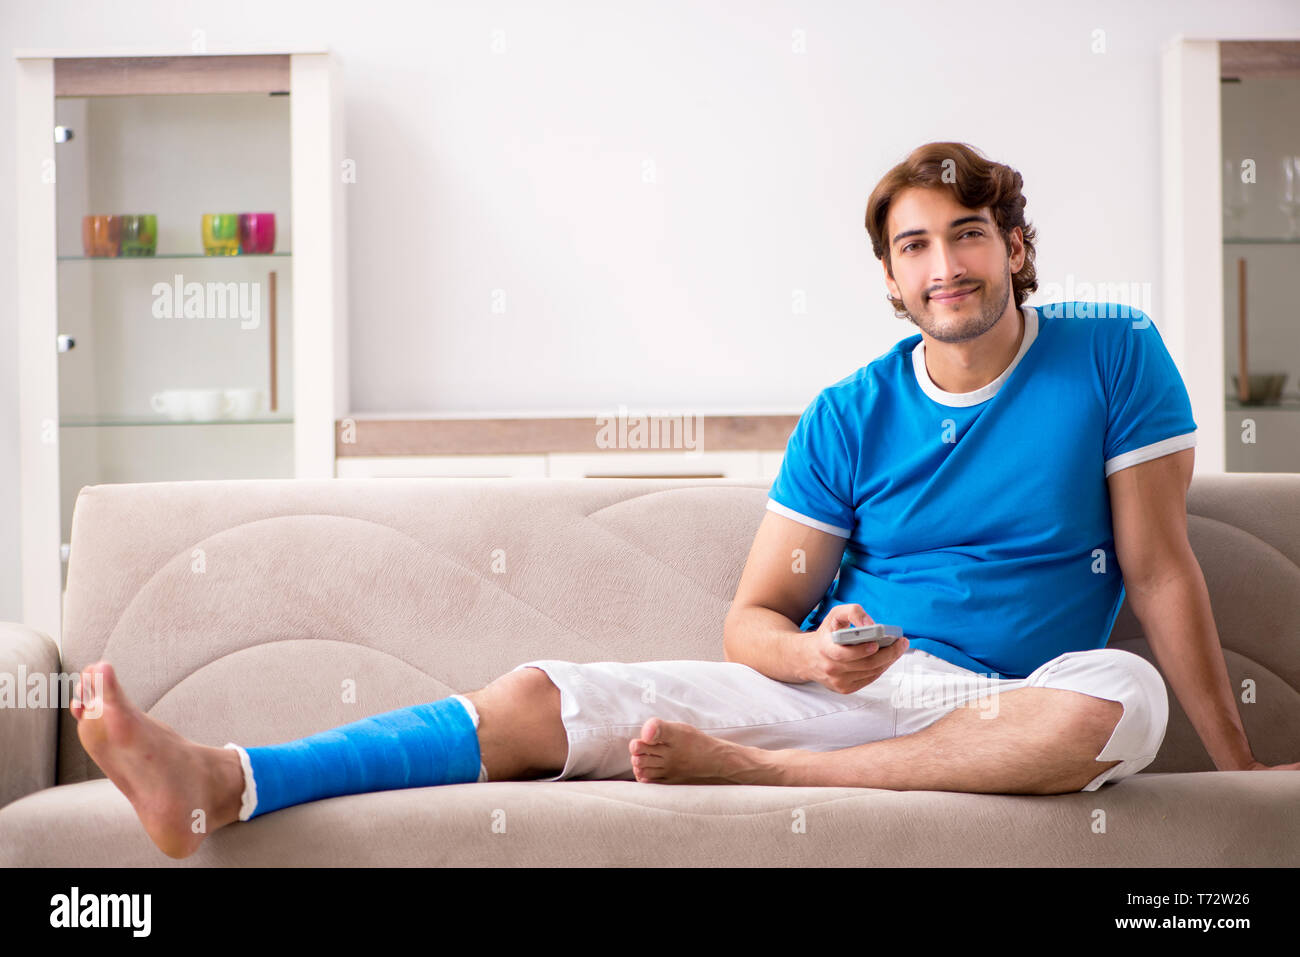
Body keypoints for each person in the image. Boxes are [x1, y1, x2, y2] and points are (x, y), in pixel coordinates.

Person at [69, 141, 1295, 861]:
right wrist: (815, 660)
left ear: (1015, 247)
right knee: (544, 695)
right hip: (838, 699)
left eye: (966, 236)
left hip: (1022, 703)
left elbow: (1157, 569)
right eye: (914, 248)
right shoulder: (850, 413)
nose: (944, 268)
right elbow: (752, 620)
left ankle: (745, 777)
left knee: (1116, 699)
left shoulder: (1110, 352)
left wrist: (1238, 776)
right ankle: (228, 779)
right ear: (886, 277)